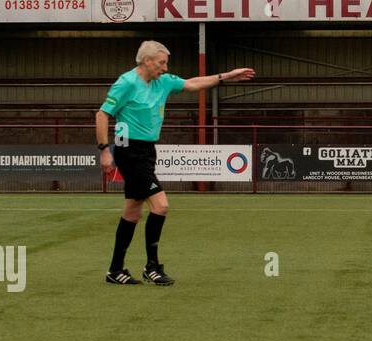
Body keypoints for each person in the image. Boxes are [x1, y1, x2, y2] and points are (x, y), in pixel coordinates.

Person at [97, 40, 255, 285]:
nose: (164, 67)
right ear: (147, 61)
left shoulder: (164, 81)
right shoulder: (127, 82)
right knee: (160, 205)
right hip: (128, 149)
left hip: (147, 150)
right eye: (161, 63)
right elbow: (102, 114)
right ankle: (152, 267)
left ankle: (115, 270)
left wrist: (226, 77)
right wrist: (104, 150)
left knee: (132, 211)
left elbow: (193, 83)